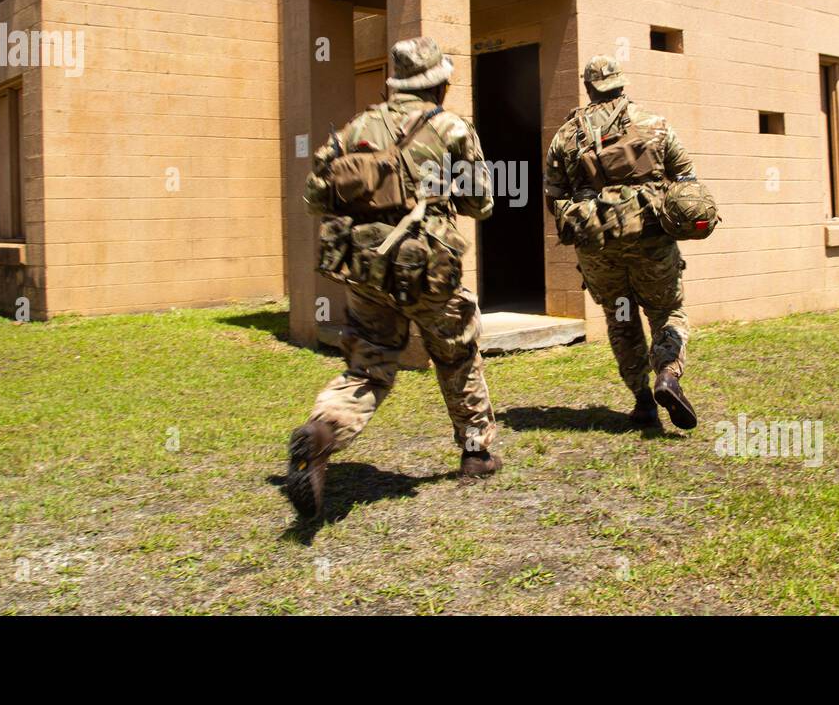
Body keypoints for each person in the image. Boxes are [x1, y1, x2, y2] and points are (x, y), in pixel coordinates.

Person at [285, 37, 499, 519]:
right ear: (438, 83)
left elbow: (314, 196)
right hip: (428, 269)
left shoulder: (357, 127)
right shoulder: (451, 128)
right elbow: (481, 203)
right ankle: (476, 451)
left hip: (364, 269)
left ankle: (321, 433)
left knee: (367, 365)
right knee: (457, 356)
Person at [543, 55, 701, 430]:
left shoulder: (566, 136)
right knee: (667, 312)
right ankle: (667, 374)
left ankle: (643, 402)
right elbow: (687, 179)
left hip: (598, 248)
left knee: (622, 316)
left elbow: (553, 195)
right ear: (621, 83)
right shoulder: (655, 125)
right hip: (651, 243)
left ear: (588, 88)